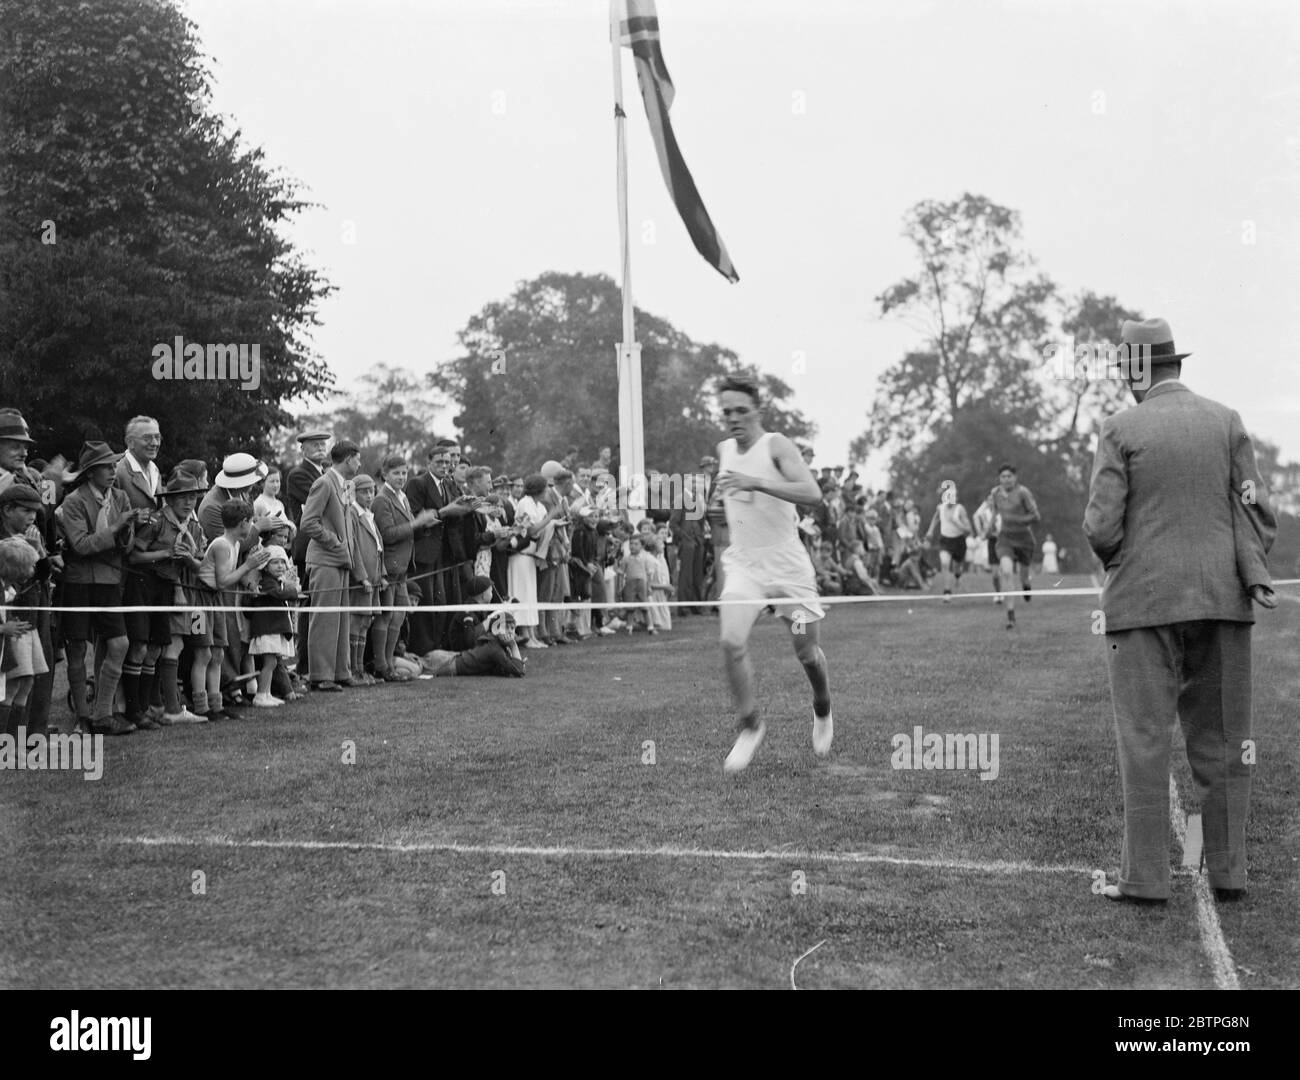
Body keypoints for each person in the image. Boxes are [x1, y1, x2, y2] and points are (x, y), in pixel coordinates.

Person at [1085, 317, 1276, 904]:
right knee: (1225, 742)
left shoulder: (1119, 429)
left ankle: (1143, 879)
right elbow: (1256, 513)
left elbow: (1101, 527)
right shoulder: (1227, 421)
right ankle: (1228, 873)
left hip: (1141, 605)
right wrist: (1247, 570)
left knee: (1143, 742)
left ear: (1140, 369)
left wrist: (1124, 559)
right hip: (1223, 600)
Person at [712, 374, 833, 772]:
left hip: (787, 568)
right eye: (726, 411)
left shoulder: (776, 445)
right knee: (731, 641)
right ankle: (750, 725)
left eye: (741, 411)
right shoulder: (724, 449)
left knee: (807, 654)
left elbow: (813, 494)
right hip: (745, 564)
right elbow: (734, 505)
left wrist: (756, 482)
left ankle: (821, 707)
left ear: (757, 411)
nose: (733, 419)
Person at [58, 442, 145, 736]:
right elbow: (81, 545)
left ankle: (103, 714)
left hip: (109, 582)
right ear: (90, 472)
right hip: (79, 583)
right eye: (107, 467)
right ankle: (83, 715)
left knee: (119, 644)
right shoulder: (73, 502)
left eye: (113, 466)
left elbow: (126, 544)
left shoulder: (120, 497)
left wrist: (127, 530)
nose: (112, 472)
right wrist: (118, 525)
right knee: (78, 649)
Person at [300, 439, 361, 691]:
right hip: (325, 560)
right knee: (324, 619)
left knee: (340, 619)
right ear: (348, 459)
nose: (360, 463)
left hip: (341, 561)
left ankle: (339, 671)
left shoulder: (344, 485)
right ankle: (320, 676)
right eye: (358, 458)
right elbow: (308, 522)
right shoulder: (323, 483)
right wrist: (334, 541)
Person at [982, 465, 1040, 629]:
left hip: (1024, 539)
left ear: (1015, 478)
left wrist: (1018, 520)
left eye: (1009, 476)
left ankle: (1026, 585)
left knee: (1023, 576)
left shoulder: (1023, 493)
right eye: (1003, 477)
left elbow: (1036, 516)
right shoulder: (995, 493)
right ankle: (1011, 615)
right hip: (1005, 539)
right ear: (999, 479)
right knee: (1006, 572)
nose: (1006, 479)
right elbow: (994, 512)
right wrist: (988, 530)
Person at [245, 545, 300, 707]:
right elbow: (279, 594)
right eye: (275, 563)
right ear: (265, 566)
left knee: (273, 663)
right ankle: (261, 695)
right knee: (269, 663)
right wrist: (295, 591)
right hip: (267, 629)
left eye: (282, 562)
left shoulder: (276, 581)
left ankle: (267, 694)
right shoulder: (267, 582)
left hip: (274, 629)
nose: (280, 566)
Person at [926, 480, 972, 602]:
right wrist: (930, 531)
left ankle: (957, 577)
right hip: (945, 540)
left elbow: (968, 529)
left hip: (959, 541)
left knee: (957, 568)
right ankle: (947, 591)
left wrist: (957, 523)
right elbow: (935, 518)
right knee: (945, 563)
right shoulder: (940, 508)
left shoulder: (960, 509)